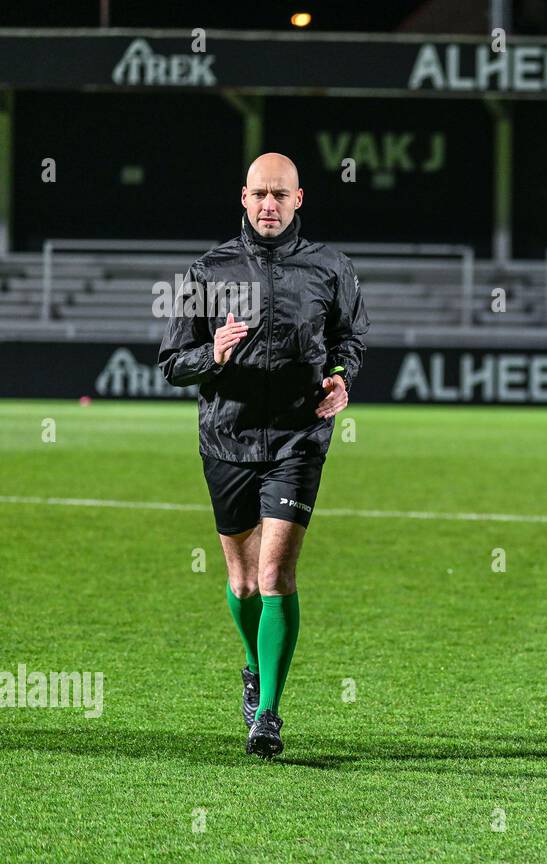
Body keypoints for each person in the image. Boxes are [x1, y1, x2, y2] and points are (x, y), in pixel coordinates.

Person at [158, 152, 369, 759]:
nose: (269, 205)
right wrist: (213, 356)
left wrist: (340, 377)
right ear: (243, 198)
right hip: (227, 437)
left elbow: (351, 337)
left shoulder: (332, 268)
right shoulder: (208, 270)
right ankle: (252, 666)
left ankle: (268, 715)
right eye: (259, 195)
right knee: (243, 582)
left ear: (298, 199)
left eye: (280, 195)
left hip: (299, 437)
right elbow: (173, 362)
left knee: (276, 574)